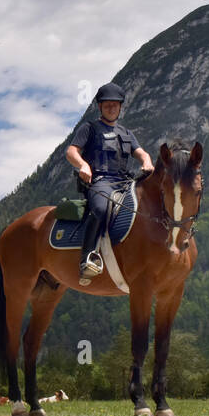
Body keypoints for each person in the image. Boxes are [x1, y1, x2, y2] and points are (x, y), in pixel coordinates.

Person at [65, 82, 155, 282]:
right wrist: (83, 165)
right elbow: (71, 152)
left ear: (121, 107)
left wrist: (147, 162)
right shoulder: (89, 128)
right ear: (100, 107)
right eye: (107, 105)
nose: (111, 108)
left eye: (115, 104)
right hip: (99, 182)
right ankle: (87, 258)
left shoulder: (126, 133)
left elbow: (142, 153)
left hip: (124, 182)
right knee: (102, 209)